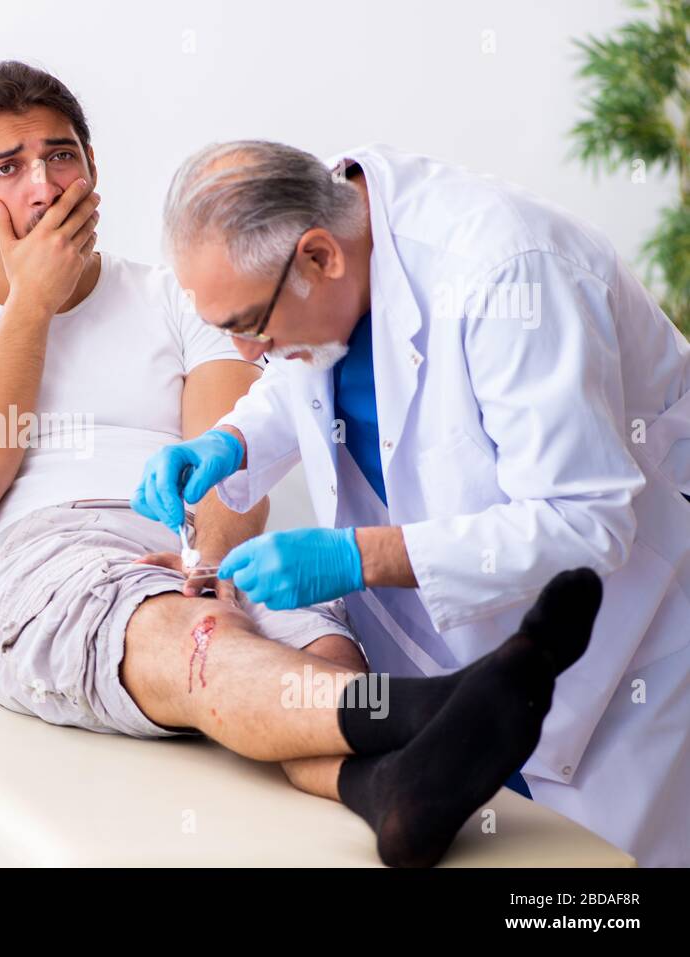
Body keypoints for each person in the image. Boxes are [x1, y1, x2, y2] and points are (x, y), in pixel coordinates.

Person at [135, 140, 690, 866]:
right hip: (448, 650)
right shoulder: (334, 245)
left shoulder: (509, 271)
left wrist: (357, 556)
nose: (247, 353)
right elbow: (297, 370)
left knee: (587, 892)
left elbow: (584, 519)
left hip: (623, 644)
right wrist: (232, 442)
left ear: (319, 258)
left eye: (251, 326)